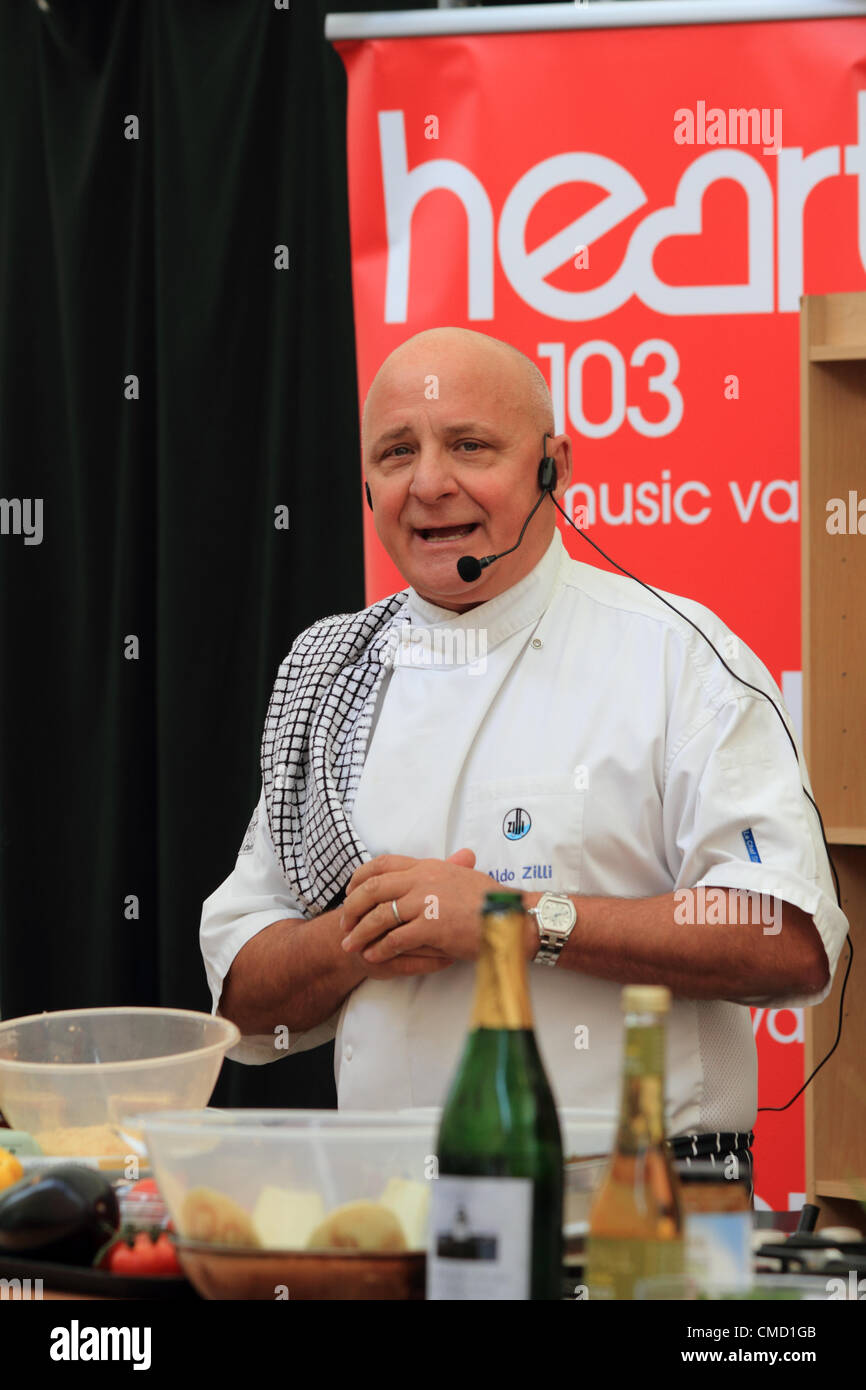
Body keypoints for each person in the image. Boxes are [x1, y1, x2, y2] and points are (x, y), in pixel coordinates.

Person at [200, 326, 848, 1190]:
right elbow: (242, 1008)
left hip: (640, 1218)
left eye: (469, 446)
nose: (430, 484)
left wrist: (514, 922)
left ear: (554, 466)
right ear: (366, 483)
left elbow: (790, 937)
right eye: (397, 453)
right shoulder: (329, 675)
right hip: (388, 1219)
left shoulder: (677, 658)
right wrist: (366, 940)